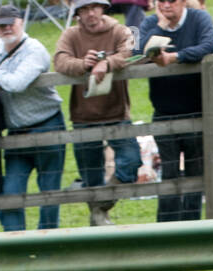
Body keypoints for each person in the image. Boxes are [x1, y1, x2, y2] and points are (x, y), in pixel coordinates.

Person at [0, 5, 65, 232]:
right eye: (0, 25)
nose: (6, 29)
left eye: (10, 23)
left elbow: (17, 83)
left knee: (49, 193)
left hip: (47, 125)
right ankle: (17, 244)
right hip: (16, 131)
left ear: (21, 21)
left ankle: (49, 244)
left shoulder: (35, 49)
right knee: (10, 194)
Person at [54, 0, 140, 227]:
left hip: (117, 112)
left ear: (103, 8)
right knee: (90, 176)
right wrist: (83, 63)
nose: (90, 13)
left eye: (94, 7)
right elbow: (60, 61)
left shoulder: (120, 30)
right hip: (83, 115)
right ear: (78, 13)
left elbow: (132, 51)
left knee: (131, 161)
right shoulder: (71, 34)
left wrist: (107, 63)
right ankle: (99, 226)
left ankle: (101, 208)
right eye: (84, 9)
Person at [138, 0, 213, 222]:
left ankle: (192, 226)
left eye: (171, 0)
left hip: (197, 109)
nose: (166, 5)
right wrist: (160, 28)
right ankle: (166, 228)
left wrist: (175, 57)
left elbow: (209, 45)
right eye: (160, 0)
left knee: (195, 172)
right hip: (164, 111)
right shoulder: (151, 22)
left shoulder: (198, 18)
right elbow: (139, 49)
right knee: (169, 172)